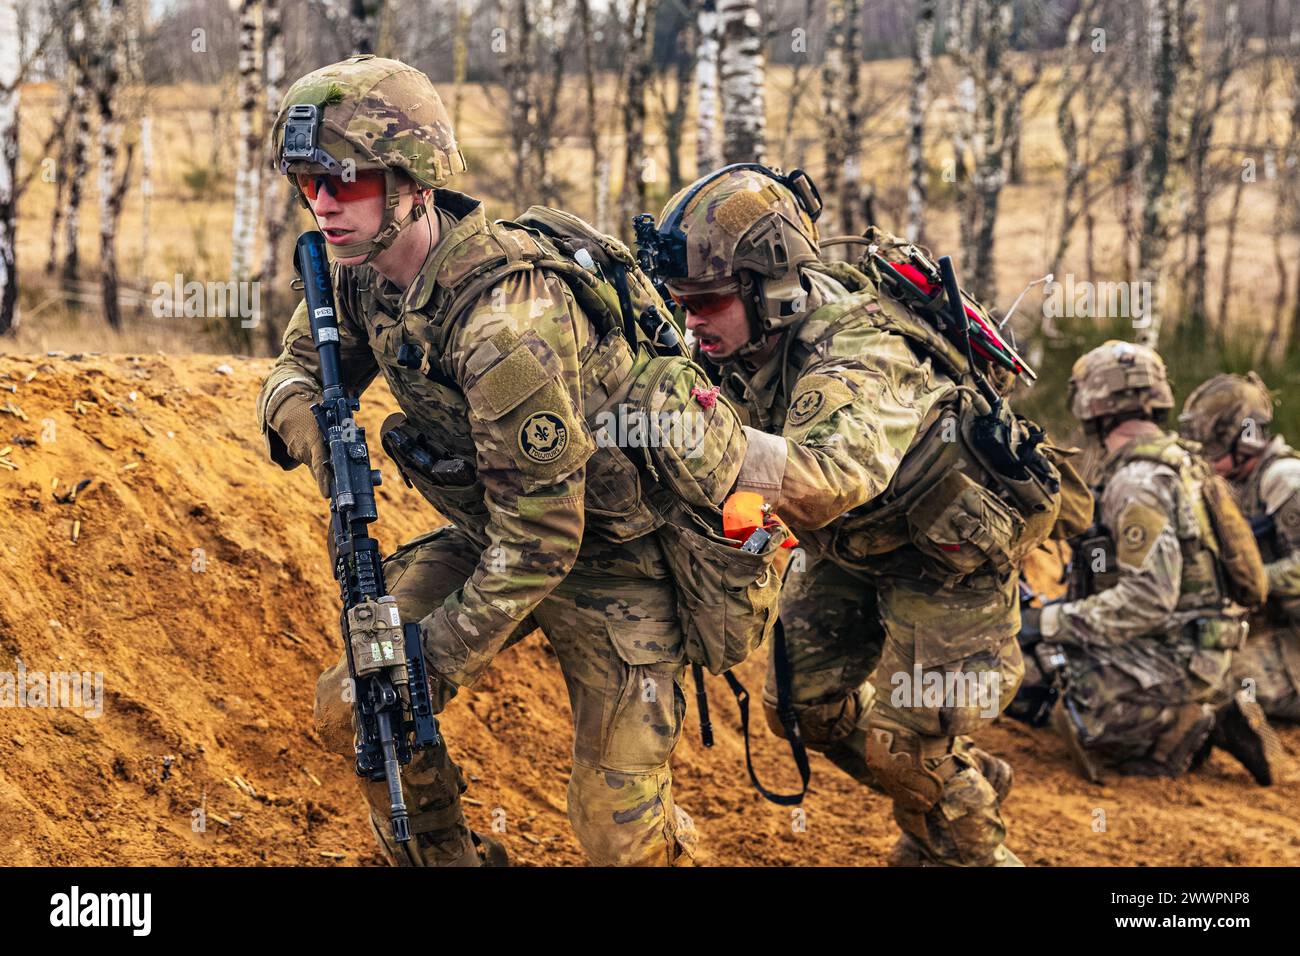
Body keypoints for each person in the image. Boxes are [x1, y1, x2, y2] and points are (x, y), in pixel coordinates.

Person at [257, 54, 752, 867]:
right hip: (495, 535)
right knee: (360, 701)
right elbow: (297, 368)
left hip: (608, 558)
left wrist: (436, 661)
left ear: (411, 180)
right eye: (308, 182)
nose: (321, 204)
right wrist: (303, 418)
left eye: (342, 180)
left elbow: (547, 539)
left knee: (615, 833)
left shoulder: (504, 327)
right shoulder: (359, 274)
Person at [638, 165, 1071, 866]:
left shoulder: (860, 351)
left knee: (906, 752)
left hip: (950, 559)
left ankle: (954, 815)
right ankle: (952, 787)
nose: (692, 321)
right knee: (799, 705)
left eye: (708, 301)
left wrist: (694, 440)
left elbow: (829, 476)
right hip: (855, 544)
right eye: (681, 301)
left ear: (769, 286)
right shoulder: (743, 341)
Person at [1013, 342, 1278, 785]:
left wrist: (1046, 622)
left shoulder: (1138, 482)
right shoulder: (1182, 462)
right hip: (1198, 645)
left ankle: (1183, 724)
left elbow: (1147, 599)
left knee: (1032, 685)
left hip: (1174, 652)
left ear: (1095, 406)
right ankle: (1203, 705)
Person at [1181, 373, 1300, 722]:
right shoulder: (1238, 484)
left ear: (1245, 440)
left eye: (1214, 444)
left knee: (1216, 685)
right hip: (1279, 630)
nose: (1205, 454)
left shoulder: (1284, 479)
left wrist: (1246, 580)